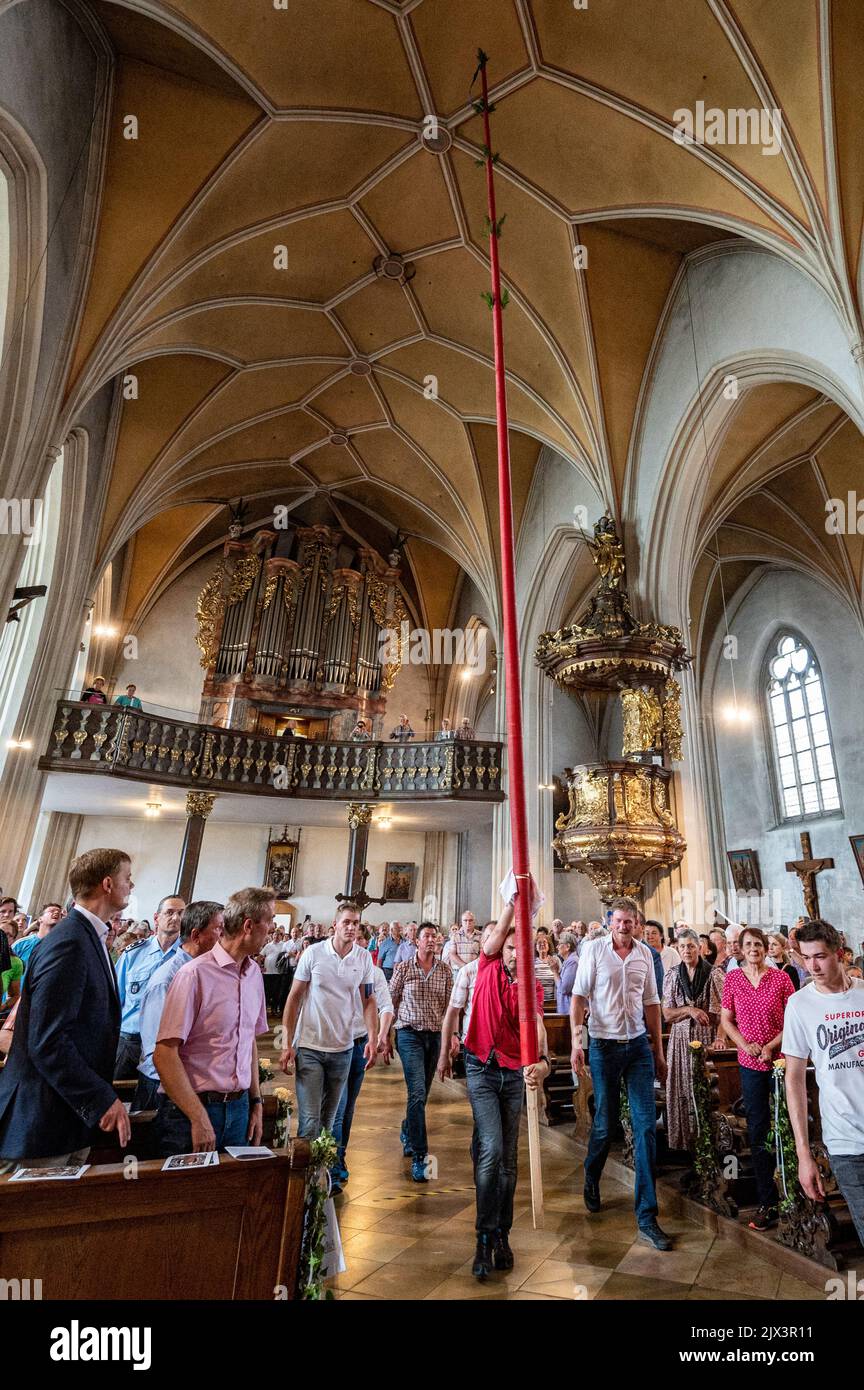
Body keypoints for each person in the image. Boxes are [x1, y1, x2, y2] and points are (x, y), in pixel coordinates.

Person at [437, 897, 549, 1279]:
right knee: (491, 1151)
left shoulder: (532, 986)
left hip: (513, 1073)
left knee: (508, 1162)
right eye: (513, 947)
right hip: (481, 1067)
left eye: (525, 949)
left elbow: (537, 1026)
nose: (518, 954)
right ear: (503, 948)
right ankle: (482, 1239)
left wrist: (543, 1064)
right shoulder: (484, 966)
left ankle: (503, 1234)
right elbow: (499, 932)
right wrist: (514, 904)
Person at [0, 848, 132, 1168]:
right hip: (42, 1121)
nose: (132, 884)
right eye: (128, 878)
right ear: (107, 884)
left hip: (66, 1116)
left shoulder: (87, 936)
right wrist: (100, 1098)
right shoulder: (70, 941)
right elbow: (48, 1040)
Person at [570, 895, 671, 1250]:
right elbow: (579, 997)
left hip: (639, 1047)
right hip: (603, 1045)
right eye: (619, 921)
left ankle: (647, 1215)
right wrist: (576, 1043)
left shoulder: (645, 955)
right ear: (609, 922)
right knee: (606, 1123)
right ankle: (592, 1176)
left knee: (645, 1128)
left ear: (638, 924)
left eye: (630, 921)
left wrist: (658, 1051)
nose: (624, 926)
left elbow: (652, 1004)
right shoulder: (594, 951)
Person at [154, 888, 271, 1154]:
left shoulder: (254, 974)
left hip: (239, 1107)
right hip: (193, 1108)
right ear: (248, 925)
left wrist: (255, 1101)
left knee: (230, 1194)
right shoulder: (194, 974)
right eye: (269, 921)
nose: (272, 929)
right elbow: (164, 1053)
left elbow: (248, 1041)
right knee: (188, 1194)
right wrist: (197, 1116)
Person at [782, 919, 864, 1247]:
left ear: (840, 954)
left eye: (820, 956)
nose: (812, 966)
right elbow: (795, 1081)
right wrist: (804, 1153)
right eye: (805, 957)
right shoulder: (800, 1005)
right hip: (845, 1141)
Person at [280, 903, 378, 1139]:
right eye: (347, 922)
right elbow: (293, 999)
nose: (352, 927)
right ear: (335, 925)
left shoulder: (363, 958)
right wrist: (286, 1044)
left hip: (343, 1049)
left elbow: (369, 1000)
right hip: (311, 1046)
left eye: (356, 923)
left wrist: (373, 1038)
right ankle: (304, 1174)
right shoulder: (314, 953)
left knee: (329, 1122)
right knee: (310, 1121)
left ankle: (321, 1174)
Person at [720, 925, 795, 1230]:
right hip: (749, 1063)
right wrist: (746, 1045)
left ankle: (794, 1196)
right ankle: (767, 1201)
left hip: (779, 1061)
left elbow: (793, 1018)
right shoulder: (733, 978)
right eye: (748, 944)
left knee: (786, 1125)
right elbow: (726, 1019)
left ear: (766, 948)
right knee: (759, 1130)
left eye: (759, 944)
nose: (754, 949)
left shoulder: (781, 978)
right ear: (740, 947)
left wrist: (770, 1046)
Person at [136, 901, 223, 1113]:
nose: (225, 935)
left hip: (187, 1084)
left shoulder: (207, 971)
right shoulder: (168, 979)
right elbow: (158, 1050)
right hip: (164, 1086)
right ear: (196, 936)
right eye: (219, 928)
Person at [330, 924, 394, 1191]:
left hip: (358, 1044)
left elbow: (386, 1005)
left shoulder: (374, 973)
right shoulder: (332, 967)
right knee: (336, 1105)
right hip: (334, 1044)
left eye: (360, 941)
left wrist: (380, 1035)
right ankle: (331, 1168)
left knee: (348, 1107)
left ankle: (340, 1157)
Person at [391, 923, 452, 1182]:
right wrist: (385, 1035)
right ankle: (420, 1155)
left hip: (434, 1036)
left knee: (422, 1095)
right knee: (416, 1091)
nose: (431, 940)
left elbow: (451, 1008)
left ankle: (407, 1128)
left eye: (434, 936)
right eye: (426, 936)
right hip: (408, 1034)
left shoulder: (445, 971)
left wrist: (452, 1039)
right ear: (416, 941)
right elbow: (391, 1001)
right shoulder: (404, 968)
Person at [661, 928, 725, 1150]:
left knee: (702, 1090)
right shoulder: (672, 975)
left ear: (700, 948)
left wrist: (720, 1038)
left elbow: (723, 1014)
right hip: (679, 1042)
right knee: (681, 1089)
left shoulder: (714, 974)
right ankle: (685, 1145)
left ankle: (707, 1145)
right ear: (677, 949)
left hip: (704, 1036)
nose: (686, 950)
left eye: (691, 946)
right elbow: (667, 1013)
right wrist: (689, 1009)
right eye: (682, 946)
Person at [114, 895, 185, 1081]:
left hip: (164, 1045)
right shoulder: (134, 954)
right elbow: (113, 1000)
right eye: (169, 912)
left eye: (181, 914)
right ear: (156, 918)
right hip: (129, 1042)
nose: (176, 918)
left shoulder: (187, 958)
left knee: (152, 1106)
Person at [11, 903, 62, 975]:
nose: (57, 912)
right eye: (52, 911)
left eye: (60, 913)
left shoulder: (62, 947)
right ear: (40, 919)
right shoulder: (21, 944)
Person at [260, 928, 286, 1012]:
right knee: (266, 992)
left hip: (278, 972)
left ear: (281, 936)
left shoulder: (284, 945)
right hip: (267, 972)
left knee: (276, 992)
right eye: (275, 934)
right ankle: (265, 1009)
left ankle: (274, 1009)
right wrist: (260, 965)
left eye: (278, 935)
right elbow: (261, 956)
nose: (276, 936)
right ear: (272, 936)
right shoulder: (268, 945)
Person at [555, 931, 580, 1015]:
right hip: (566, 1010)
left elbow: (564, 989)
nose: (557, 947)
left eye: (559, 944)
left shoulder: (573, 962)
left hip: (570, 1011)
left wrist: (555, 972)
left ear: (568, 947)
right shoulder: (568, 961)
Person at [533, 928, 558, 1008]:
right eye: (539, 943)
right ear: (535, 947)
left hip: (552, 1001)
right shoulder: (532, 961)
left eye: (545, 942)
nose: (542, 944)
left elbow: (560, 979)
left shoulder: (555, 960)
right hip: (536, 1001)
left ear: (549, 945)